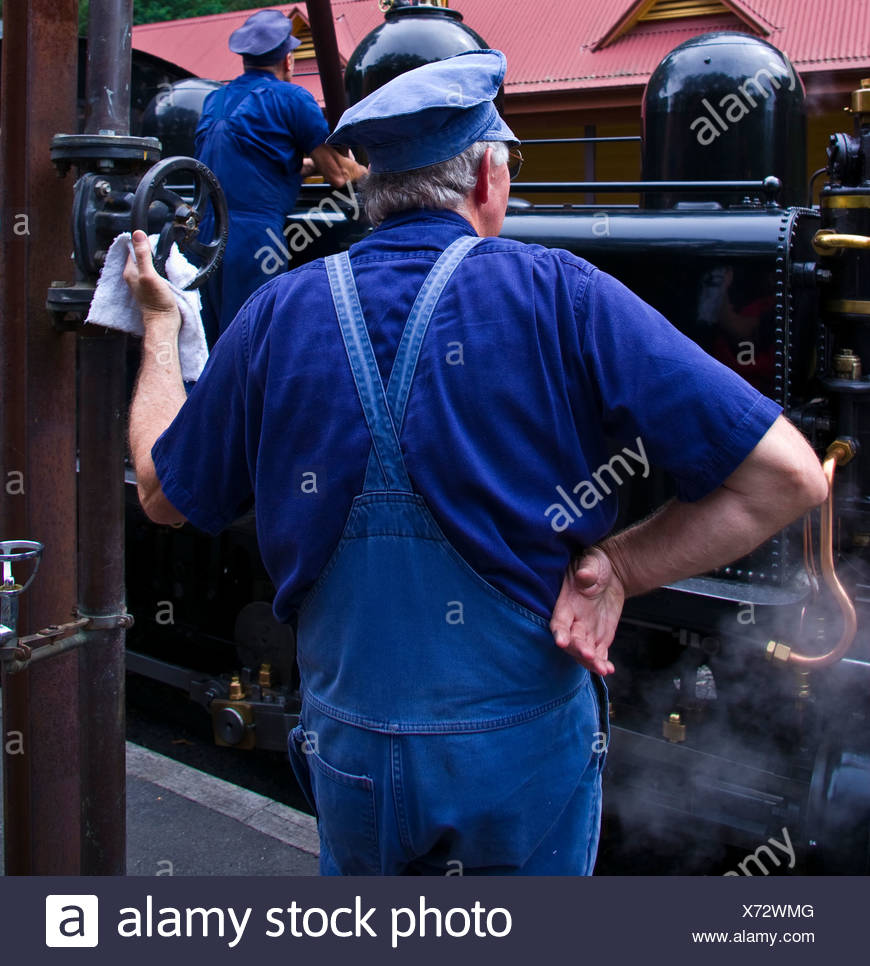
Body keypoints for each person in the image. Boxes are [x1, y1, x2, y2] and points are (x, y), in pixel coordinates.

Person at [125, 49, 826, 876]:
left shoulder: (280, 308)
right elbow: (790, 476)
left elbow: (160, 493)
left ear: (368, 189)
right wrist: (622, 567)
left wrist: (162, 336)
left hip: (349, 741)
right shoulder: (565, 291)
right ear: (489, 179)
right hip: (520, 751)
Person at [194, 8, 366, 344]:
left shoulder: (214, 100)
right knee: (251, 340)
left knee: (207, 343)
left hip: (203, 234)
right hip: (254, 238)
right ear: (288, 60)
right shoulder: (291, 98)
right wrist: (370, 172)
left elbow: (258, 161)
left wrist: (308, 165)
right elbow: (338, 175)